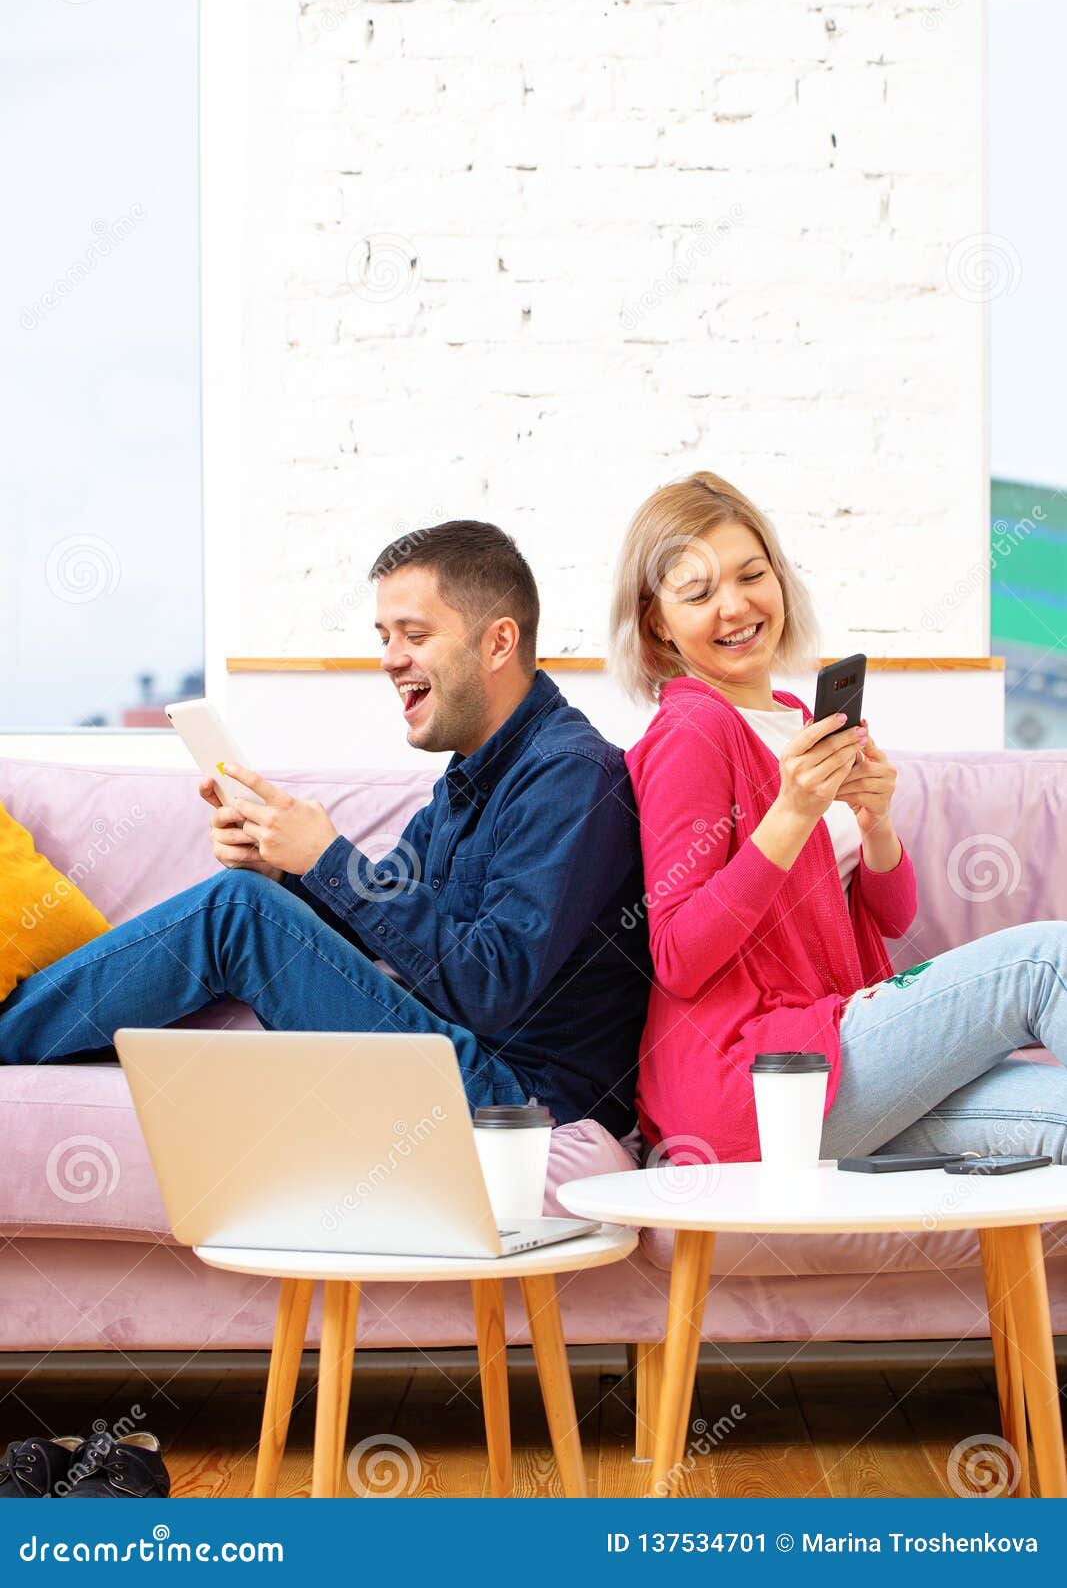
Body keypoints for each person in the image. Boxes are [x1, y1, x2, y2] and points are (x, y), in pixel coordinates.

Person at [1, 521, 650, 1138]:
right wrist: (283, 869)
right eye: (383, 637)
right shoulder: (470, 777)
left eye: (414, 635)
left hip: (515, 1097)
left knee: (236, 912)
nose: (389, 659)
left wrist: (328, 861)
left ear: (498, 643)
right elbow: (381, 928)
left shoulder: (569, 776)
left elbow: (490, 986)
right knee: (251, 897)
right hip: (463, 1056)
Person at [610, 470, 1067, 1164]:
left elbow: (892, 918)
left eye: (751, 575)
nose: (734, 607)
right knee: (1045, 959)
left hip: (842, 1059)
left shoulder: (799, 720)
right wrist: (792, 813)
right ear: (655, 621)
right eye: (698, 593)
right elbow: (677, 957)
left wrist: (875, 822)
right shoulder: (692, 733)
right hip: (753, 1083)